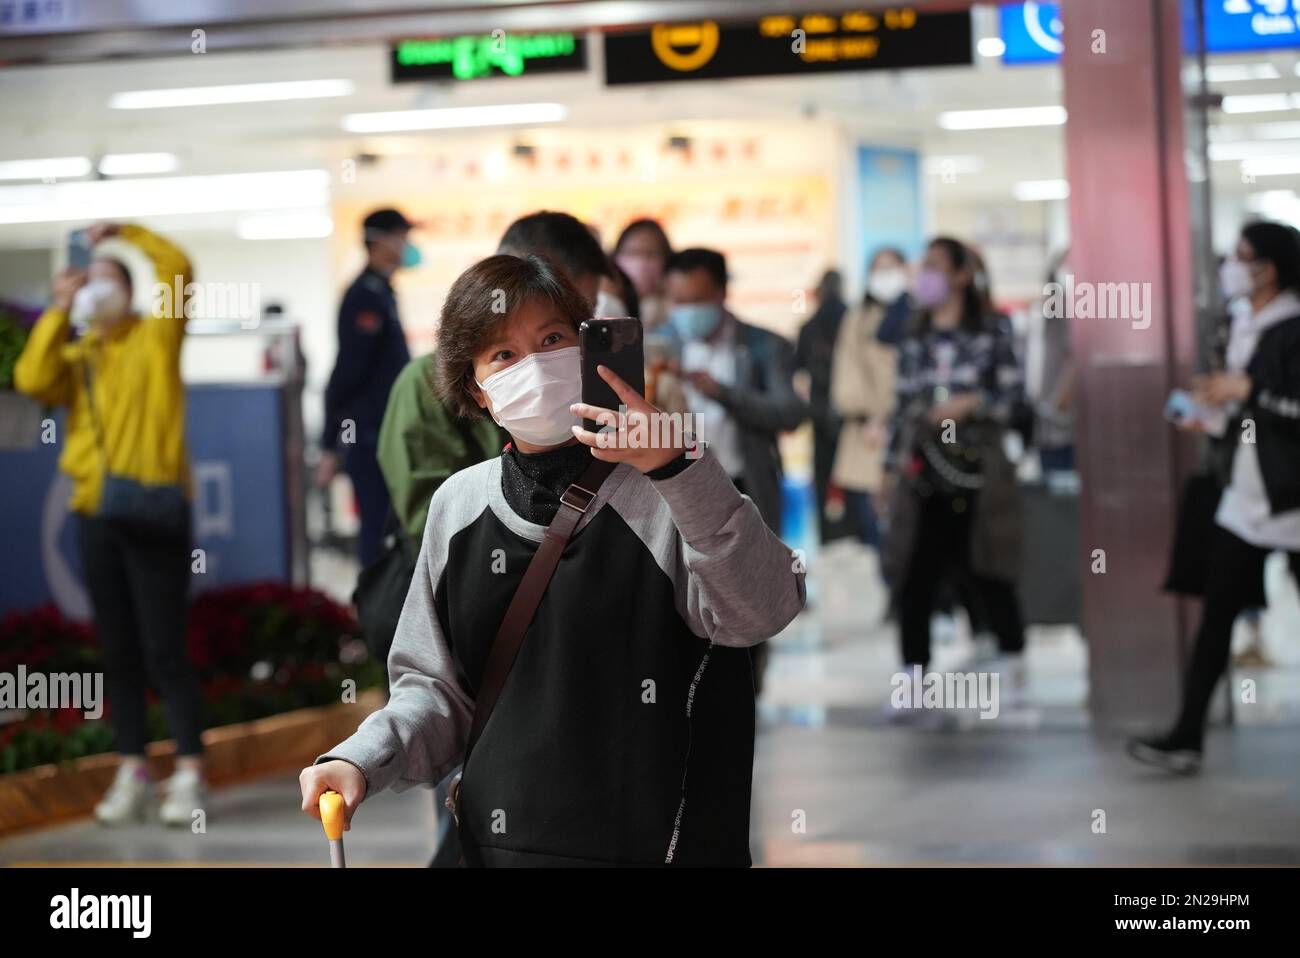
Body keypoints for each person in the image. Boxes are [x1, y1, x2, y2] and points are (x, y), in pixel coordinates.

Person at [300, 253, 805, 866]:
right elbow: (436, 689)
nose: (534, 367)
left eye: (552, 339)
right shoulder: (457, 506)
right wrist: (359, 756)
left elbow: (764, 608)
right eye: (502, 355)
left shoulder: (668, 487)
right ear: (476, 391)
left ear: (589, 349)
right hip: (500, 851)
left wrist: (679, 468)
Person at [14, 222, 206, 825]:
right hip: (97, 515)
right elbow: (31, 380)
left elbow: (178, 267)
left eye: (107, 279)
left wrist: (125, 233)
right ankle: (134, 770)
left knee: (165, 649)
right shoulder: (79, 354)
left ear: (129, 290)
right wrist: (58, 309)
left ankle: (190, 773)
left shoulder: (156, 337)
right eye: (88, 279)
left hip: (156, 512)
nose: (97, 287)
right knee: (119, 652)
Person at [1130, 221, 1300, 773]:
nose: (1231, 264)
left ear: (1269, 268)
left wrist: (1248, 391)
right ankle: (1186, 735)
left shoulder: (1293, 328)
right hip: (1244, 496)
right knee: (1217, 613)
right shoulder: (1239, 324)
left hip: (1291, 497)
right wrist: (1212, 412)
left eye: (1242, 256)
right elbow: (1245, 416)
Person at [881, 237, 1028, 709]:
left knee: (986, 565)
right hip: (923, 471)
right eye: (922, 266)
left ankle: (1013, 664)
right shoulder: (915, 334)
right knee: (914, 571)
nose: (925, 276)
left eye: (935, 266)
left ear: (962, 275)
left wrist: (973, 403)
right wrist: (888, 469)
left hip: (979, 471)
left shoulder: (993, 330)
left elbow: (1014, 403)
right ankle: (913, 678)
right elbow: (902, 407)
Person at [662, 247, 807, 535]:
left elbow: (791, 413)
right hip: (679, 490)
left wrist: (723, 393)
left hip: (745, 487)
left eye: (698, 300)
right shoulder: (659, 346)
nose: (688, 311)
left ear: (721, 293)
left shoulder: (764, 345)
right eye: (679, 301)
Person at [318, 208, 419, 566]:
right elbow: (348, 371)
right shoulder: (364, 295)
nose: (408, 245)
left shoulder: (383, 292)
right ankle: (377, 616)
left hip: (388, 430)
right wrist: (330, 441)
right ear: (379, 242)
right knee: (377, 530)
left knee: (392, 529)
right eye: (402, 237)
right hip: (369, 434)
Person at [831, 248, 905, 555]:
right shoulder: (857, 319)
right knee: (879, 536)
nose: (886, 276)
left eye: (893, 268)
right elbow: (846, 376)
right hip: (868, 437)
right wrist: (872, 417)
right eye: (879, 269)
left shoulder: (919, 315)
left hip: (913, 434)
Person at [795, 269, 852, 545]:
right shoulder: (852, 321)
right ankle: (850, 533)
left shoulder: (810, 326)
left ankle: (829, 537)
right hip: (850, 414)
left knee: (823, 475)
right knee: (850, 476)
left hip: (820, 411)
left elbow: (799, 369)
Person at [613, 218, 673, 330]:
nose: (641, 263)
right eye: (632, 252)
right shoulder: (607, 306)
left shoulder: (674, 311)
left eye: (651, 254)